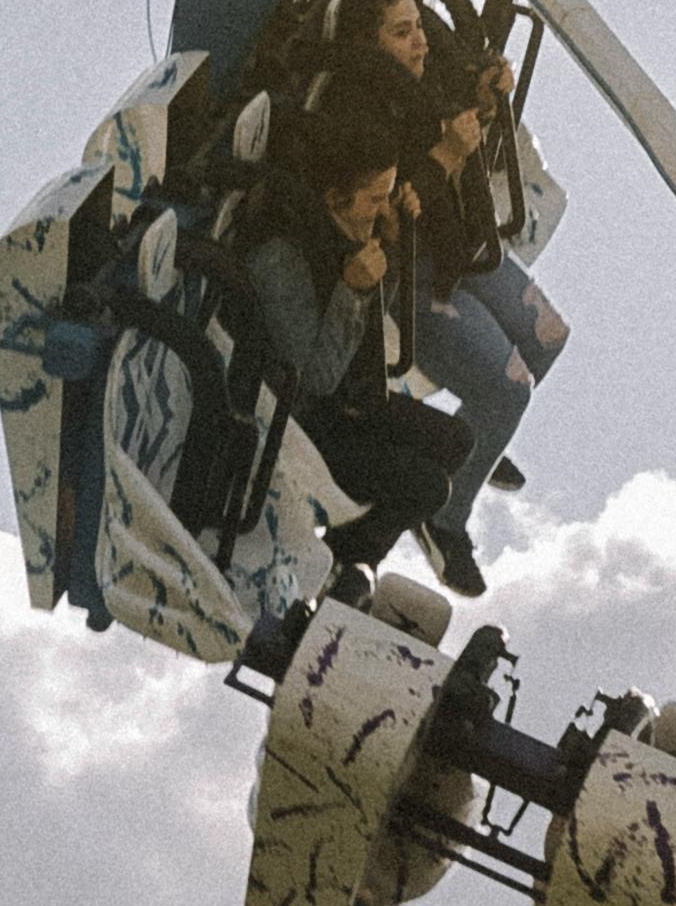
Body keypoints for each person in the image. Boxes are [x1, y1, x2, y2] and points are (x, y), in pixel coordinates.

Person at [234, 87, 469, 590]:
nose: (382, 206)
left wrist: (391, 246)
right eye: (375, 198)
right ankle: (343, 564)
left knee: (455, 440)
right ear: (334, 197)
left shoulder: (344, 229)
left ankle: (360, 538)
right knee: (428, 485)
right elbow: (313, 378)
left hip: (343, 397)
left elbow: (368, 331)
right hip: (300, 424)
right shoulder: (282, 259)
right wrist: (352, 289)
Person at [403, 29, 566, 598]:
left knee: (548, 337)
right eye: (403, 32)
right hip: (414, 268)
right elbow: (394, 199)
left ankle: (476, 440)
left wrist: (488, 97)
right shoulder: (373, 105)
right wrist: (445, 154)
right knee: (509, 388)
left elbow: (486, 147)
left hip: (464, 245)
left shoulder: (435, 70)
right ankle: (442, 518)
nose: (419, 40)